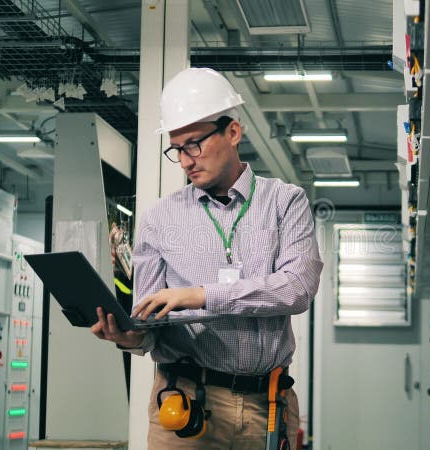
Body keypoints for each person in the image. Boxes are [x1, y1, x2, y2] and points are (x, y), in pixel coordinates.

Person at [91, 67, 323, 450]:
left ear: (232, 132)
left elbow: (297, 290)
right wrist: (127, 337)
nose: (185, 161)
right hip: (184, 405)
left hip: (266, 405)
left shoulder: (285, 202)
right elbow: (148, 323)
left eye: (193, 144)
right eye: (176, 149)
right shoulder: (159, 218)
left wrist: (199, 295)